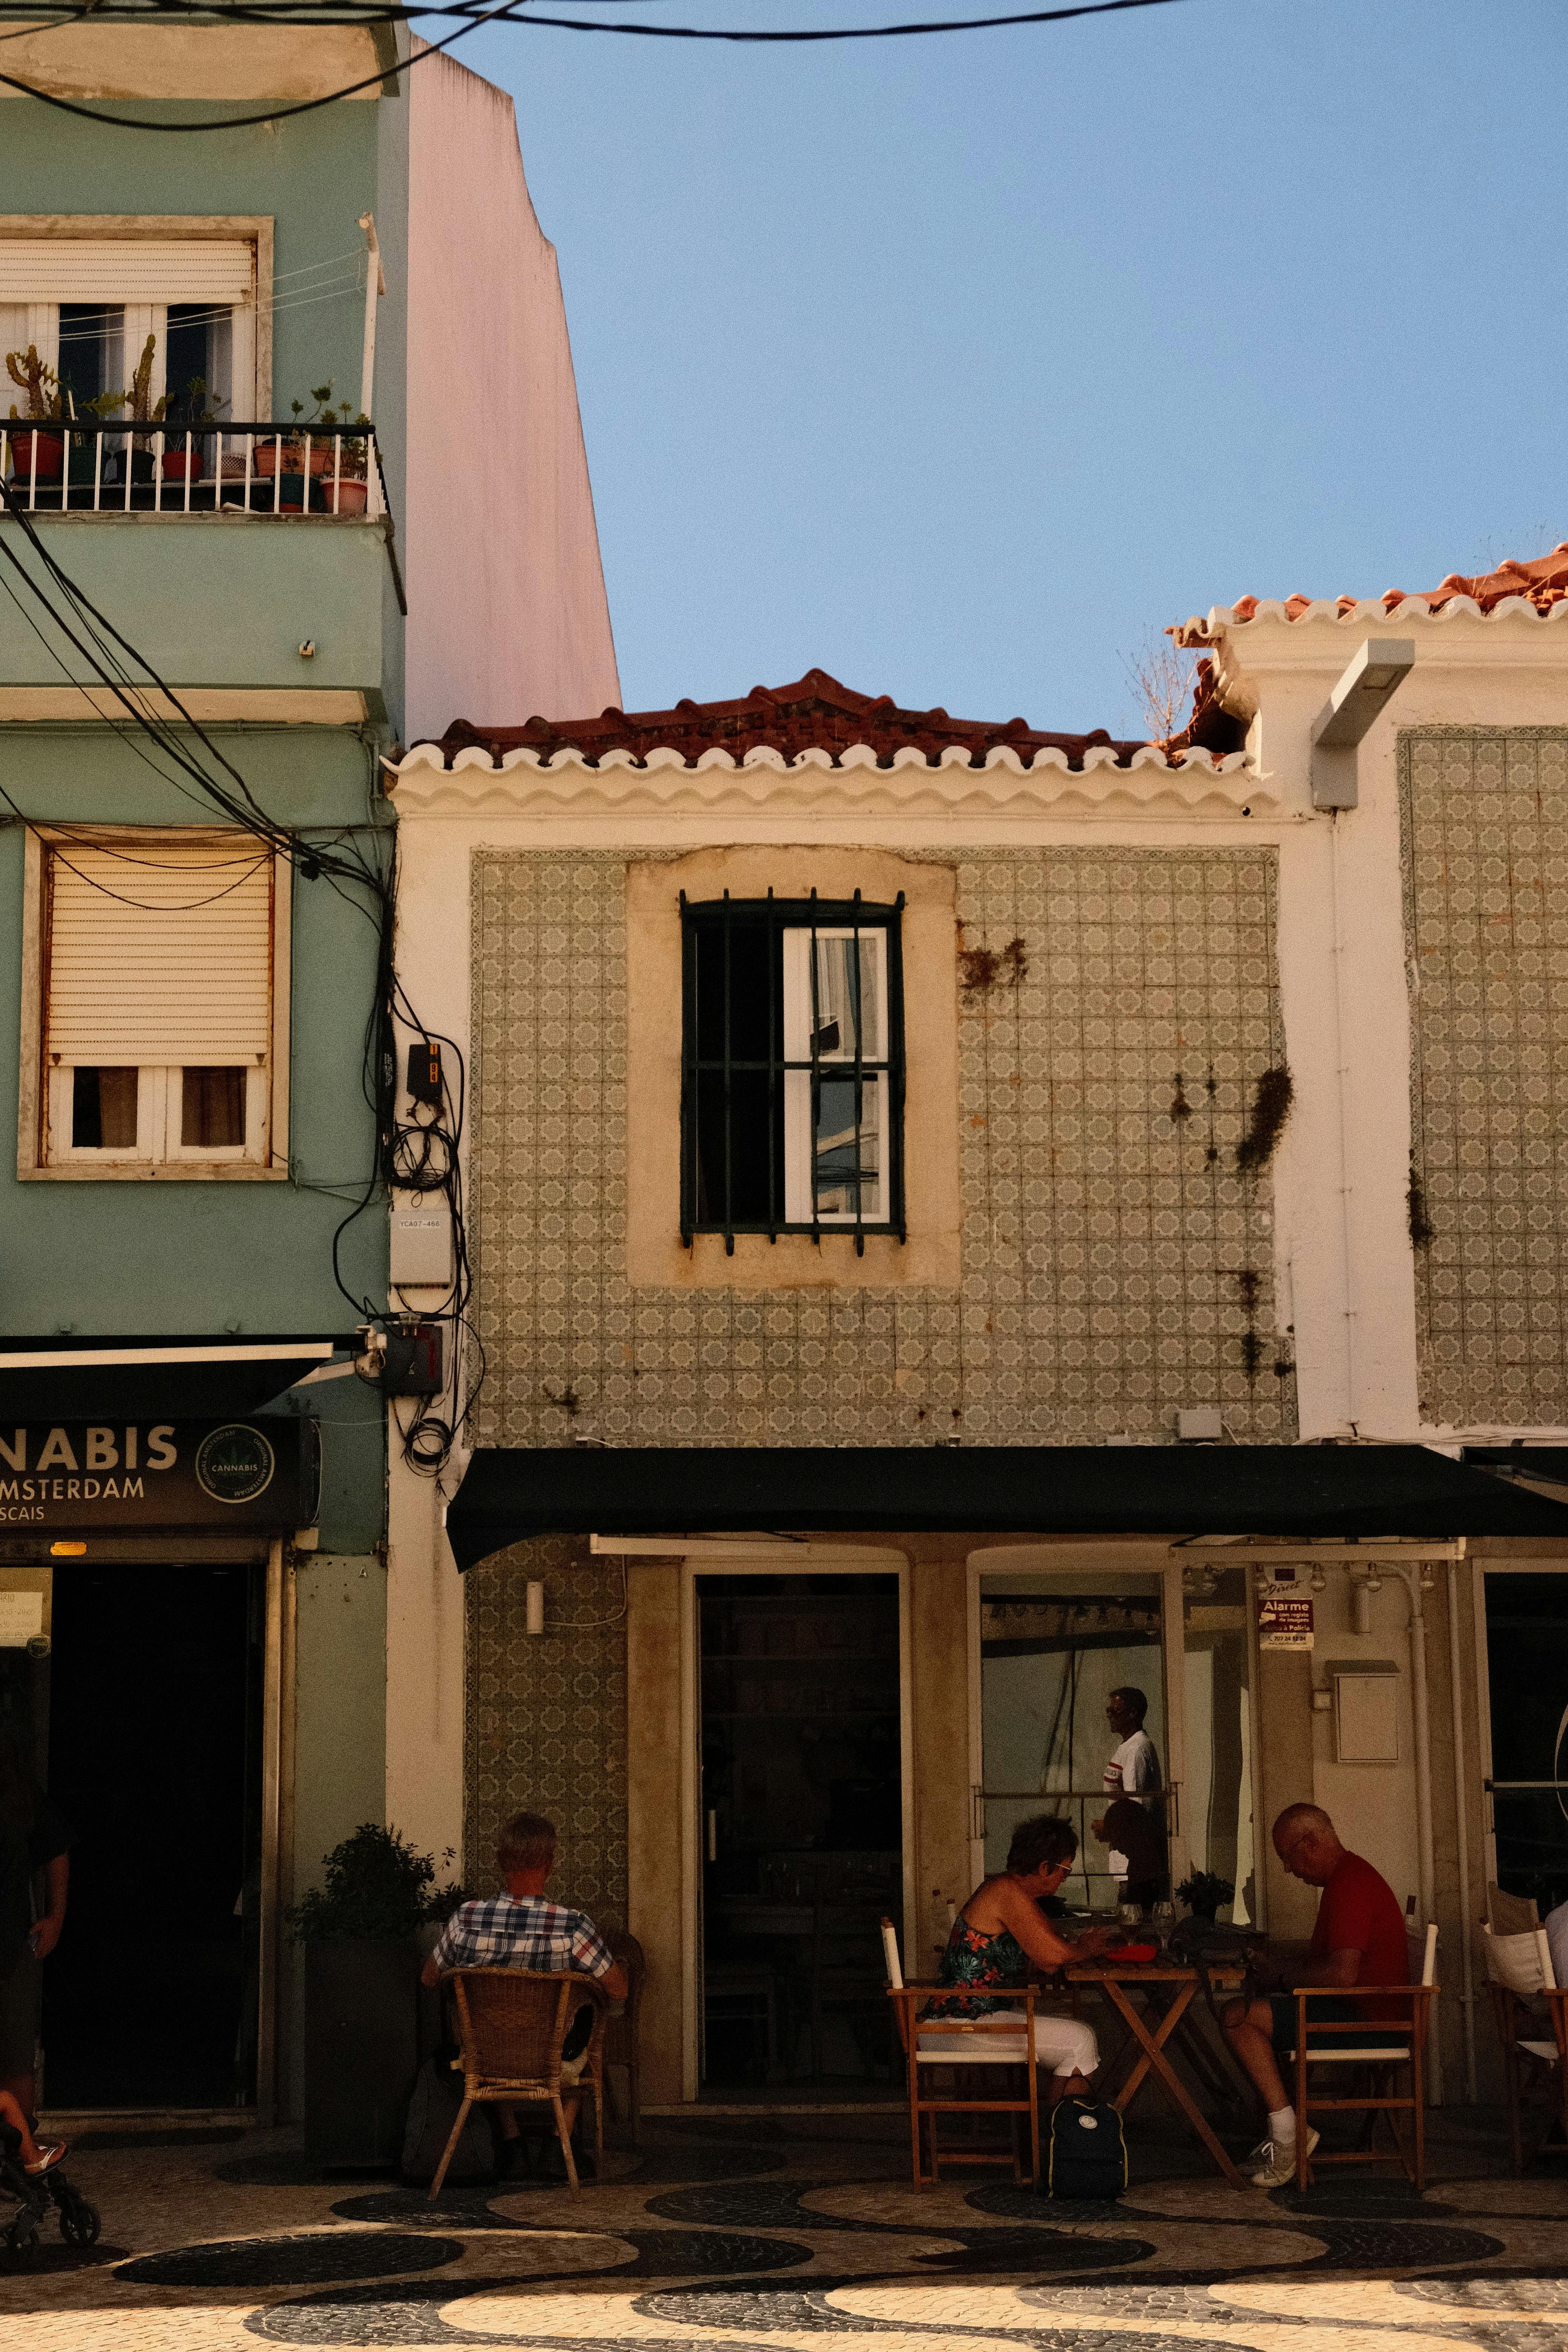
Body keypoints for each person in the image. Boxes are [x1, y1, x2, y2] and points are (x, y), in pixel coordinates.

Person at [422, 1808, 627, 2180]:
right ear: (551, 1865)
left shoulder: (465, 1919)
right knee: (580, 2033)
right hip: (553, 2063)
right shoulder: (573, 1926)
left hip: (483, 2060)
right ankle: (556, 2145)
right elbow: (618, 1988)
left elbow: (429, 1978)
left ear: (500, 1862)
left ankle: (512, 2142)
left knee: (487, 2035)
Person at [1222, 1802, 1409, 2189]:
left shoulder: (1351, 1884)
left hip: (1370, 2023)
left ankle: (1288, 2137)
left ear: (1309, 1842)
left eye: (1286, 1857)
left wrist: (1284, 1975)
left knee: (1237, 2017)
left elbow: (1341, 1975)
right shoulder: (1346, 1878)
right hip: (1358, 2011)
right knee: (1245, 2011)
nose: (1287, 1870)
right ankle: (1284, 2125)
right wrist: (1279, 1970)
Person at [926, 1814, 1116, 2102]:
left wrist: (1067, 1949)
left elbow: (1045, 1958)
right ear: (1044, 1867)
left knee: (1082, 2034)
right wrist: (1087, 1948)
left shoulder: (1010, 1891)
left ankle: (1055, 2135)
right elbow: (1053, 1957)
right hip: (961, 2023)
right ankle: (1061, 2138)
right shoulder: (1006, 1892)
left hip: (971, 2017)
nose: (1065, 1880)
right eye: (1065, 1871)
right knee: (1081, 2039)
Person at [0, 1733, 69, 2177]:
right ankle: (22, 2149)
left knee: (16, 2052)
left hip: (12, 1942)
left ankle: (22, 2149)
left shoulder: (17, 1793)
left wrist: (55, 1915)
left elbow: (56, 1850)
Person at [1090, 1687, 1162, 1889]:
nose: (1109, 1716)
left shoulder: (1136, 1750)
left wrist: (1109, 1828)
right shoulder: (1129, 1747)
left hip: (1134, 1859)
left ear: (1133, 1714)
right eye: (1108, 1711)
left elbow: (1137, 1809)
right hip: (1126, 1855)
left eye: (1115, 1712)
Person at [1094, 1796, 1167, 1914]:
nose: (1116, 1847)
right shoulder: (1144, 1866)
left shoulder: (1145, 1872)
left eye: (1116, 1838)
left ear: (1129, 1834)